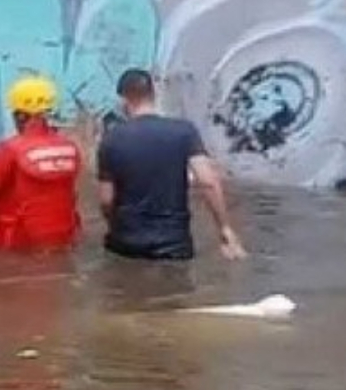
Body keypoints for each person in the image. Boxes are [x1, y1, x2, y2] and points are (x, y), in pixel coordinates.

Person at [97, 68, 247, 260]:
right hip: (173, 243)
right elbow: (208, 182)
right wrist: (224, 228)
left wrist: (116, 227)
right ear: (153, 93)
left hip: (126, 244)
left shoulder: (112, 139)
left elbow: (106, 200)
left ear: (125, 98)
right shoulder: (184, 131)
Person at [0, 76, 82, 251]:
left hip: (15, 240)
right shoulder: (69, 148)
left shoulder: (10, 149)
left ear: (20, 115)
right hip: (62, 237)